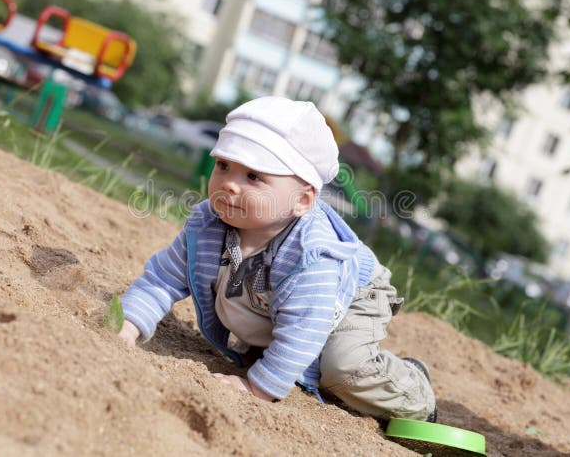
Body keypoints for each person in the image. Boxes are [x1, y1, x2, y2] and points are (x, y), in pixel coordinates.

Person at [117, 96, 436, 422]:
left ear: (302, 200)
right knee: (254, 327)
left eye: (253, 176)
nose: (229, 183)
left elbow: (304, 330)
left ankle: (415, 390)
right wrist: (127, 325)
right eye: (223, 165)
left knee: (340, 368)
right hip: (280, 298)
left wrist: (257, 389)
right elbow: (163, 278)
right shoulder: (208, 225)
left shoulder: (311, 255)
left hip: (353, 295)